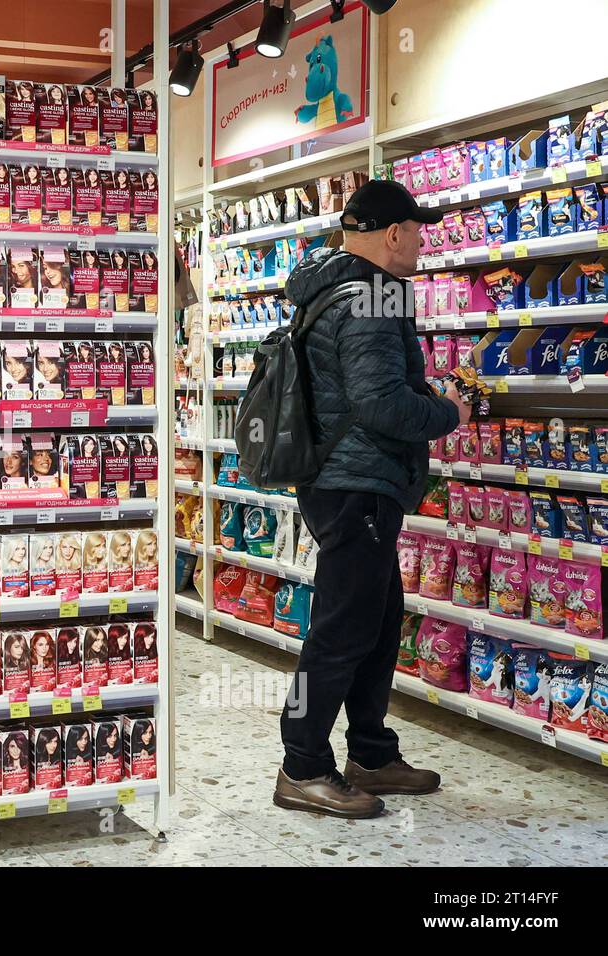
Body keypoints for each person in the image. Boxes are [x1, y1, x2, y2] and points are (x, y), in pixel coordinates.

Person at [273, 180, 470, 818]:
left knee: (378, 620)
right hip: (355, 484)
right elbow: (380, 403)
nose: (421, 240)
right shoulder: (374, 296)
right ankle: (301, 765)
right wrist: (447, 411)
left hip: (346, 480)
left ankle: (371, 753)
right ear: (392, 233)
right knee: (340, 629)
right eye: (417, 229)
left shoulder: (334, 287)